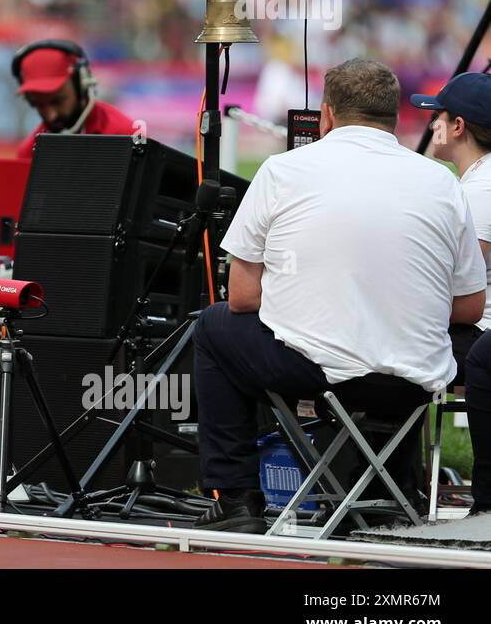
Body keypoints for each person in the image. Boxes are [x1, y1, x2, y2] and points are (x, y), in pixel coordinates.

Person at [191, 58, 486, 532]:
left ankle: (236, 499)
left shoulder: (282, 170)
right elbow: (470, 307)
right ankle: (386, 491)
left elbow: (242, 297)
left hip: (317, 370)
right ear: (395, 118)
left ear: (326, 114)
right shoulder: (441, 182)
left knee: (213, 326)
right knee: (394, 330)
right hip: (413, 376)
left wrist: (308, 298)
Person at [411, 71, 491, 515]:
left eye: (437, 116)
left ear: (459, 126)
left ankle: (386, 490)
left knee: (384, 346)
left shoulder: (480, 190)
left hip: (477, 332)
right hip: (472, 328)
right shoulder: (476, 182)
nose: (431, 124)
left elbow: (462, 286)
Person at [11, 40, 136, 159]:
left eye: (57, 101)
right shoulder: (29, 153)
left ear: (81, 85)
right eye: (38, 104)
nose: (51, 116)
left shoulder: (127, 137)